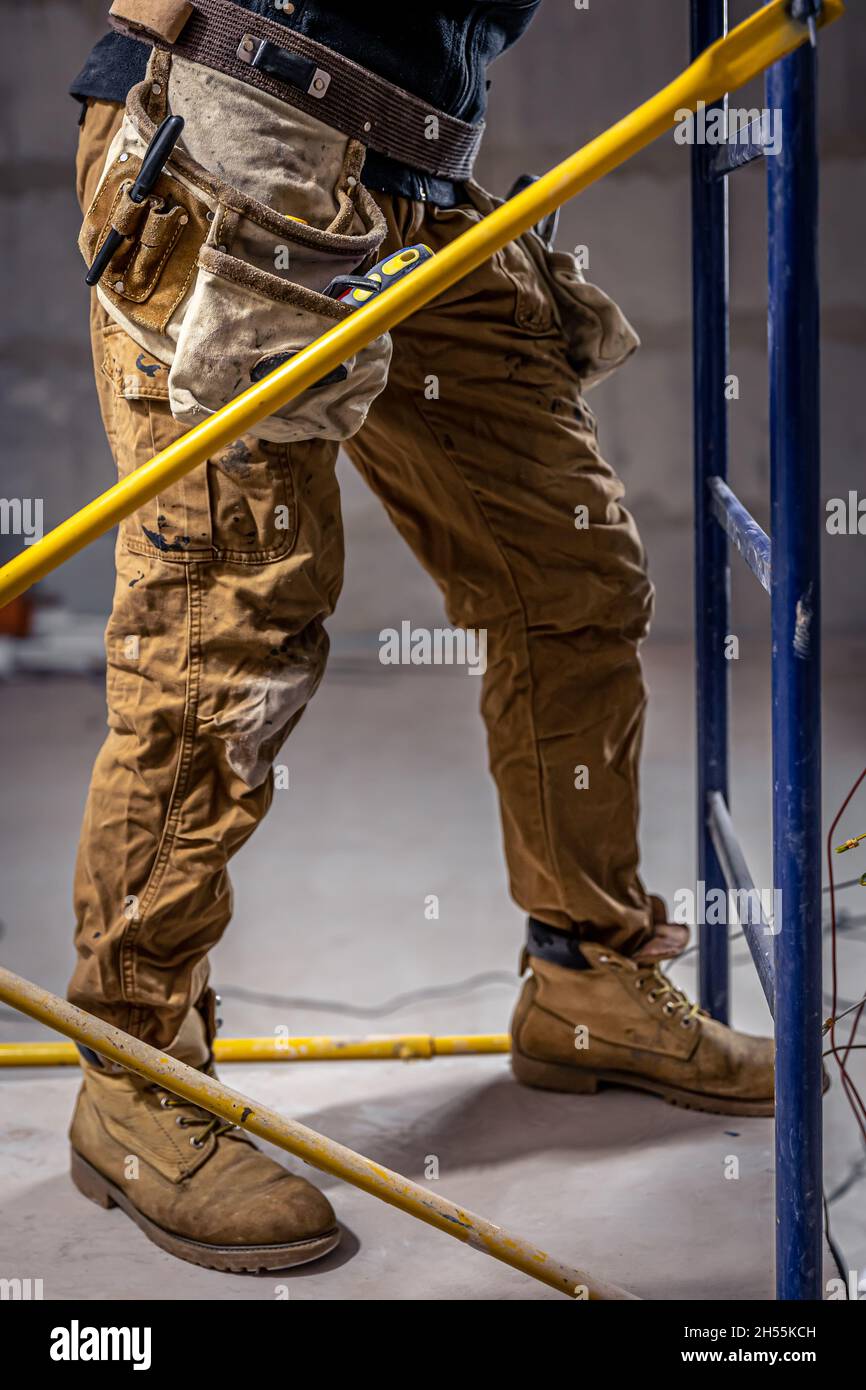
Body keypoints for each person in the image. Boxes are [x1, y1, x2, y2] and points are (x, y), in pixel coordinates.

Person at [67, 0, 773, 1273]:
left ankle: (583, 976)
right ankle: (132, 1067)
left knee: (568, 568)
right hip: (239, 134)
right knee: (227, 632)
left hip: (409, 172)